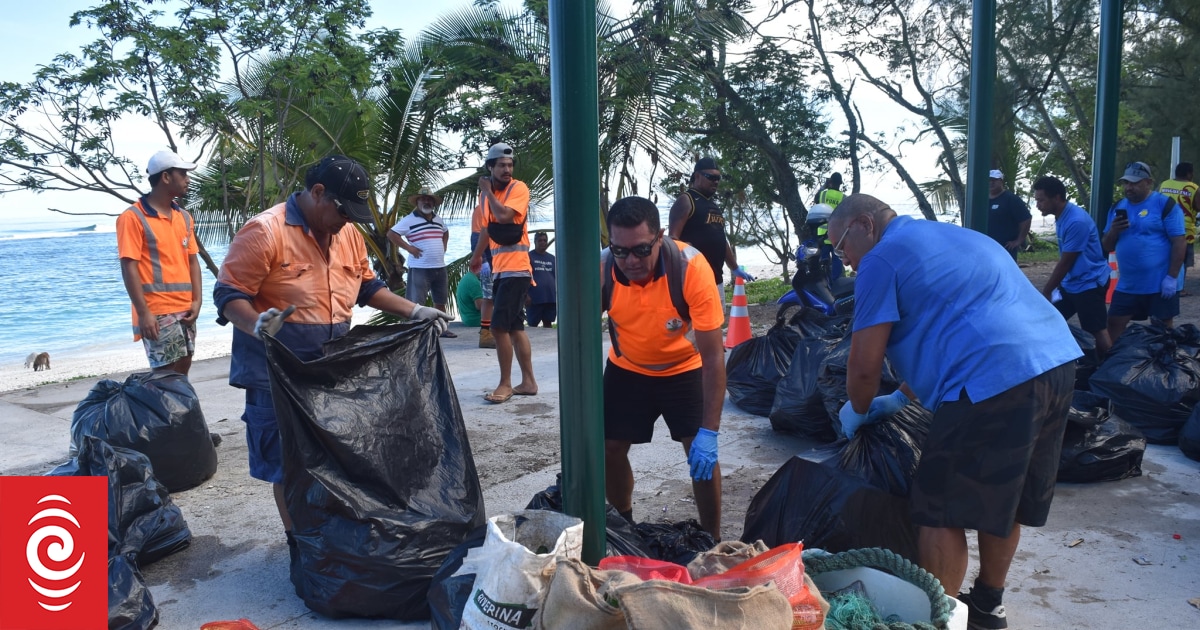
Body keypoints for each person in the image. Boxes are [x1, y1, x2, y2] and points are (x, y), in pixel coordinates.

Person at [828, 194, 1079, 630]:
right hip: (1055, 364)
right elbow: (955, 327)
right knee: (1008, 499)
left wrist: (859, 409)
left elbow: (864, 365)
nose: (846, 262)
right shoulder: (954, 237)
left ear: (864, 224)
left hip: (993, 379)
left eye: (840, 247)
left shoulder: (880, 260)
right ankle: (986, 607)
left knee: (939, 510)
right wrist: (903, 398)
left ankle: (938, 619)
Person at [213, 155, 450, 553]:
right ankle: (300, 545)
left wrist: (414, 310)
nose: (346, 220)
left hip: (329, 367)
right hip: (276, 370)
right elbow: (228, 294)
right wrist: (255, 323)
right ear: (318, 193)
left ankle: (329, 534)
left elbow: (367, 289)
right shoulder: (265, 231)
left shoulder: (348, 235)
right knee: (286, 463)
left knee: (332, 456)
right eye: (343, 211)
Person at [602, 196, 725, 538]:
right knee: (610, 448)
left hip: (685, 367)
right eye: (620, 250)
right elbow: (574, 332)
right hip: (628, 367)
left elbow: (714, 357)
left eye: (641, 250)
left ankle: (711, 537)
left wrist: (710, 433)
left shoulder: (690, 268)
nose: (630, 260)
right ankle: (624, 526)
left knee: (699, 454)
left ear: (659, 238)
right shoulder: (602, 268)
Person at [117, 150, 203, 375]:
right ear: (166, 177)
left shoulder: (184, 217)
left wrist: (197, 300)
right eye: (182, 174)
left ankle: (180, 412)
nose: (187, 179)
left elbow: (192, 261)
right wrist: (144, 312)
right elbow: (129, 267)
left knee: (183, 369)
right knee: (165, 375)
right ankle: (161, 411)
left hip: (185, 309)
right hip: (158, 311)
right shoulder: (133, 218)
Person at [469, 142, 537, 402]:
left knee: (498, 328)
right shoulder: (487, 197)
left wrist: (487, 191)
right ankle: (529, 382)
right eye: (501, 165)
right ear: (491, 167)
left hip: (517, 270)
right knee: (515, 328)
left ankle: (505, 385)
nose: (507, 169)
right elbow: (487, 228)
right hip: (501, 271)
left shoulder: (518, 188)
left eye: (510, 165)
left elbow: (505, 216)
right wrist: (476, 257)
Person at [1103, 161, 1186, 343]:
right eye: (1126, 183)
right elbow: (1107, 245)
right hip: (1129, 284)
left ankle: (1161, 367)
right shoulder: (1117, 208)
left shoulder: (1165, 205)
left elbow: (1179, 242)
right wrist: (1114, 230)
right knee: (1114, 323)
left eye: (1134, 183)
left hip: (1160, 283)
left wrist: (1171, 277)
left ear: (1148, 182)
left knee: (1162, 331)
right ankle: (1111, 365)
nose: (1129, 187)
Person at [1033, 176, 1114, 357]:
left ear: (1057, 197)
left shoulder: (1076, 221)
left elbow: (1066, 261)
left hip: (1089, 283)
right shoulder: (1061, 216)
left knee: (1097, 330)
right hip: (1072, 283)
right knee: (1051, 319)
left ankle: (1110, 370)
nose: (1038, 205)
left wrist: (1047, 291)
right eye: (1036, 200)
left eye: (1041, 200)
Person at [668, 157, 753, 308]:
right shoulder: (686, 200)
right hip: (694, 281)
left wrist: (735, 268)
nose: (715, 181)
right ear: (697, 176)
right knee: (694, 329)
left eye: (718, 178)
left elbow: (721, 239)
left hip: (716, 279)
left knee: (715, 326)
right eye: (711, 177)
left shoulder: (713, 205)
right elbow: (673, 240)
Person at [388, 185, 456, 338]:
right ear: (417, 202)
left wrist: (444, 245)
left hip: (439, 266)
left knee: (440, 300)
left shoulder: (438, 219)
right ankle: (415, 331)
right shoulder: (409, 220)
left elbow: (445, 232)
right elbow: (392, 234)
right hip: (420, 267)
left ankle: (442, 329)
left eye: (429, 199)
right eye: (423, 199)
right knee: (416, 302)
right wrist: (409, 248)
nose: (426, 202)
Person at [1159, 162, 1197, 295]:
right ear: (1189, 173)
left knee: (1165, 255)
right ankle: (1179, 288)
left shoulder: (1164, 184)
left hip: (1163, 226)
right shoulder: (1193, 188)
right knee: (1182, 258)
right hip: (1185, 229)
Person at [987, 169, 1032, 261]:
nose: (991, 183)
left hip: (1006, 248)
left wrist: (1019, 240)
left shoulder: (1011, 199)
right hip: (987, 247)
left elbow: (1026, 219)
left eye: (995, 180)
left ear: (1001, 181)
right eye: (989, 180)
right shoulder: (983, 199)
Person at [526, 231, 557, 327]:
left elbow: (557, 277)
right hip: (534, 299)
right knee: (532, 325)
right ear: (535, 242)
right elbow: (523, 277)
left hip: (550, 298)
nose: (543, 242)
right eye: (540, 240)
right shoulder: (528, 257)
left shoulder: (552, 258)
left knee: (548, 324)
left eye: (545, 240)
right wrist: (525, 295)